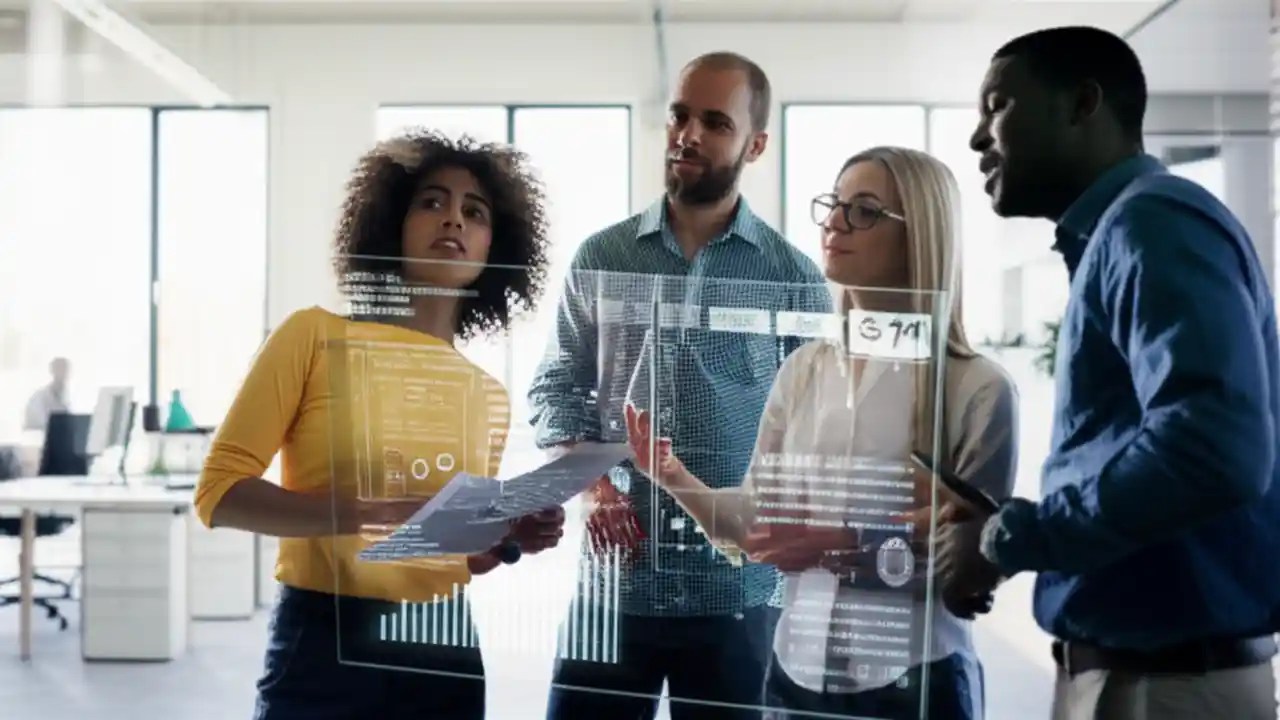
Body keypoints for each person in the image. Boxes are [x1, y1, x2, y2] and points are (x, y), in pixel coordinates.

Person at [925, 25, 1280, 719]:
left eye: (997, 105)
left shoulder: (1152, 225)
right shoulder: (1130, 231)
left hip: (1163, 690)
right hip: (1142, 680)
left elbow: (1212, 452)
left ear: (1083, 104)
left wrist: (1008, 540)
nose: (976, 138)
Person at [625, 146, 1018, 720]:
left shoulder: (978, 388)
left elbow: (972, 569)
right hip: (794, 675)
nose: (835, 221)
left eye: (864, 210)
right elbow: (753, 526)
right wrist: (672, 475)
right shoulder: (804, 370)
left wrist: (832, 544)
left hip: (916, 677)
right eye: (834, 204)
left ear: (921, 234)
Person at [194, 130, 566, 720]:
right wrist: (371, 511)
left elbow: (445, 554)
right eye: (431, 202)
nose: (454, 220)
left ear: (495, 246)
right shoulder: (313, 336)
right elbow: (219, 494)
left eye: (475, 212)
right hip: (324, 642)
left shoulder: (487, 394)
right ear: (392, 220)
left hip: (445, 648)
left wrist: (500, 536)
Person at [527, 51, 831, 719]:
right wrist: (593, 484)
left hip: (739, 593)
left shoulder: (793, 275)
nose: (688, 135)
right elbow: (555, 384)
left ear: (755, 144)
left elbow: (816, 432)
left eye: (714, 122)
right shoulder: (602, 256)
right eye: (679, 115)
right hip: (615, 584)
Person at [23, 357, 70, 431]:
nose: (62, 374)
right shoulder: (38, 397)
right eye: (59, 369)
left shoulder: (66, 399)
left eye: (65, 370)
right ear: (52, 371)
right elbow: (39, 423)